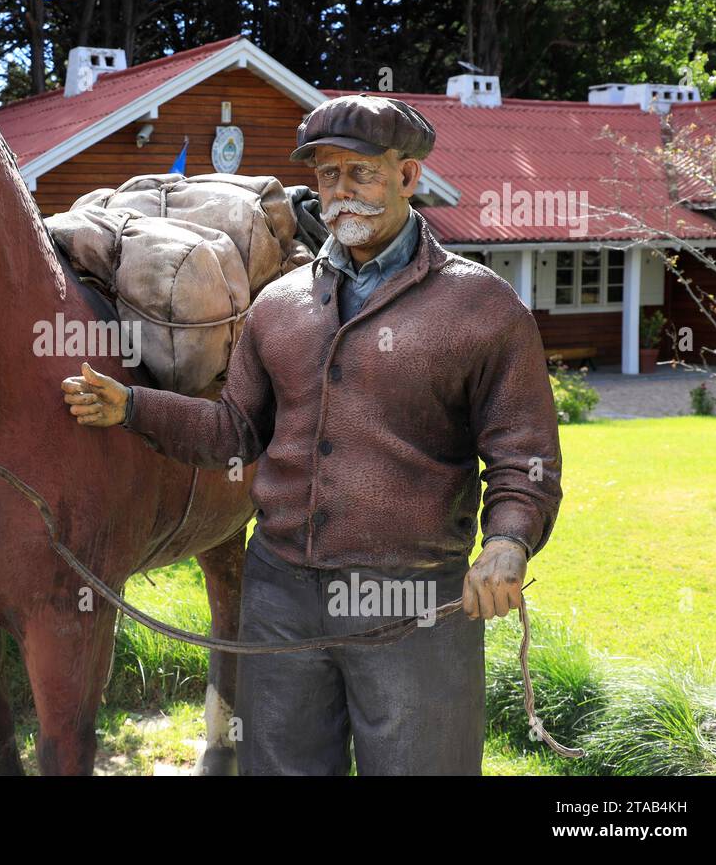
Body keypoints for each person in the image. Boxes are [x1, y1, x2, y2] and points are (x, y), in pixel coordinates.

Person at [60, 93, 562, 775]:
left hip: (412, 600)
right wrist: (134, 408)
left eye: (361, 172)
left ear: (408, 176)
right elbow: (235, 431)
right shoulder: (280, 304)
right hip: (282, 600)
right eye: (327, 174)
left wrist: (507, 542)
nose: (341, 191)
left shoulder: (480, 307)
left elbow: (522, 453)